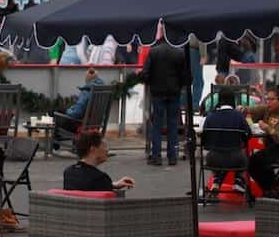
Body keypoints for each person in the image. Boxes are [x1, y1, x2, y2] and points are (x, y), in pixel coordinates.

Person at [140, 31, 187, 166]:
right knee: (173, 124)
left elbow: (145, 73)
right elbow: (185, 75)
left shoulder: (153, 52)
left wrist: (149, 81)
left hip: (158, 92)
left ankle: (156, 156)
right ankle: (172, 156)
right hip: (174, 92)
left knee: (157, 125)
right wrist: (180, 85)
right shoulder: (179, 53)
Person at [201, 88, 251, 195]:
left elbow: (204, 138)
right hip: (236, 159)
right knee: (241, 156)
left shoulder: (210, 117)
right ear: (233, 100)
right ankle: (238, 181)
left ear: (219, 100)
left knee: (221, 152)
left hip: (213, 159)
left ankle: (216, 180)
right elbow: (248, 135)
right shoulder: (239, 116)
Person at [62, 131, 135, 193]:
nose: (107, 150)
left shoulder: (69, 172)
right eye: (104, 146)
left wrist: (112, 185)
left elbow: (86, 185)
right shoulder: (101, 178)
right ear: (93, 149)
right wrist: (107, 184)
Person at [52, 68, 104, 150]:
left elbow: (76, 113)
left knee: (58, 112)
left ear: (88, 78)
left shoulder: (87, 91)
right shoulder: (102, 90)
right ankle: (57, 139)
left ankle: (55, 141)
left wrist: (68, 111)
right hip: (95, 124)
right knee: (63, 111)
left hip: (81, 125)